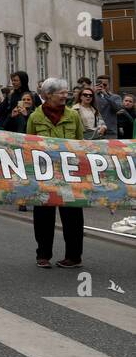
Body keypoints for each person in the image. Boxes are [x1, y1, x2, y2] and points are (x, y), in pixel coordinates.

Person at [25, 78, 85, 268]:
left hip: (69, 175)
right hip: (45, 174)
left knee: (73, 217)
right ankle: (43, 255)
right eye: (61, 92)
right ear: (48, 95)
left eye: (66, 92)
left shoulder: (73, 116)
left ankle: (74, 256)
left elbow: (81, 143)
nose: (65, 96)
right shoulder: (35, 117)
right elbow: (28, 145)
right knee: (43, 215)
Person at [92, 75, 123, 140]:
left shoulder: (116, 97)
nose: (102, 87)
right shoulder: (92, 96)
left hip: (110, 132)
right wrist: (93, 93)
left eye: (105, 85)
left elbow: (117, 108)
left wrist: (106, 95)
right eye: (100, 85)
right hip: (95, 131)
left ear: (109, 85)